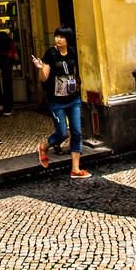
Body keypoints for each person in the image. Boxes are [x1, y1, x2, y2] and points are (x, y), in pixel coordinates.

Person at [32, 27, 90, 178]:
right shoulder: (50, 54)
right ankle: (44, 147)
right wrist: (40, 68)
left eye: (61, 37)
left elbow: (75, 70)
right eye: (56, 36)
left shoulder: (72, 52)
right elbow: (44, 78)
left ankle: (75, 169)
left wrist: (77, 83)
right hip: (56, 101)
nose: (57, 39)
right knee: (63, 133)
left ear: (67, 39)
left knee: (76, 132)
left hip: (73, 99)